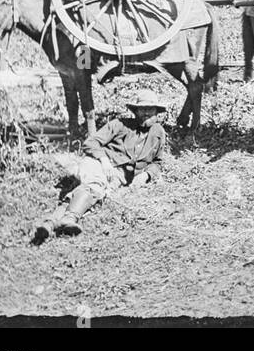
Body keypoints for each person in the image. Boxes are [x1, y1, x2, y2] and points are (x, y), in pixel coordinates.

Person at [33, 90, 168, 242]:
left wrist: (146, 175)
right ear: (135, 111)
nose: (146, 113)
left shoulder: (158, 133)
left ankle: (49, 223)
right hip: (98, 163)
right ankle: (70, 218)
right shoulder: (119, 125)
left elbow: (157, 162)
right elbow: (90, 143)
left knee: (92, 193)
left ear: (157, 112)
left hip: (119, 177)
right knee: (95, 186)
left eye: (150, 109)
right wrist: (103, 161)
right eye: (142, 109)